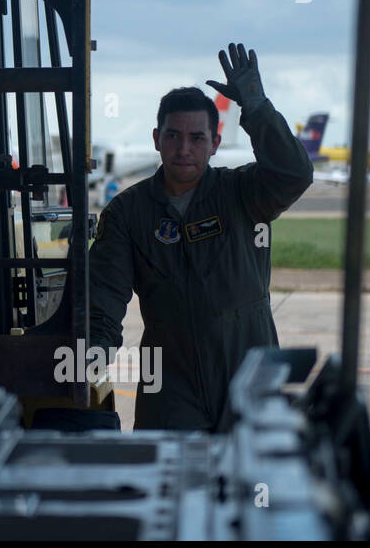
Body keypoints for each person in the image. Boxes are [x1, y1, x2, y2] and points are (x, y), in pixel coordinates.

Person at [87, 44, 313, 431]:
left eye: (197, 138)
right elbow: (103, 304)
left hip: (249, 378)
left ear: (215, 144)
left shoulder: (243, 194)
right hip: (172, 387)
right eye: (174, 136)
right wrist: (87, 360)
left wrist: (256, 108)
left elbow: (294, 174)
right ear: (157, 139)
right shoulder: (127, 213)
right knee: (170, 481)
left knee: (255, 481)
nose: (184, 149)